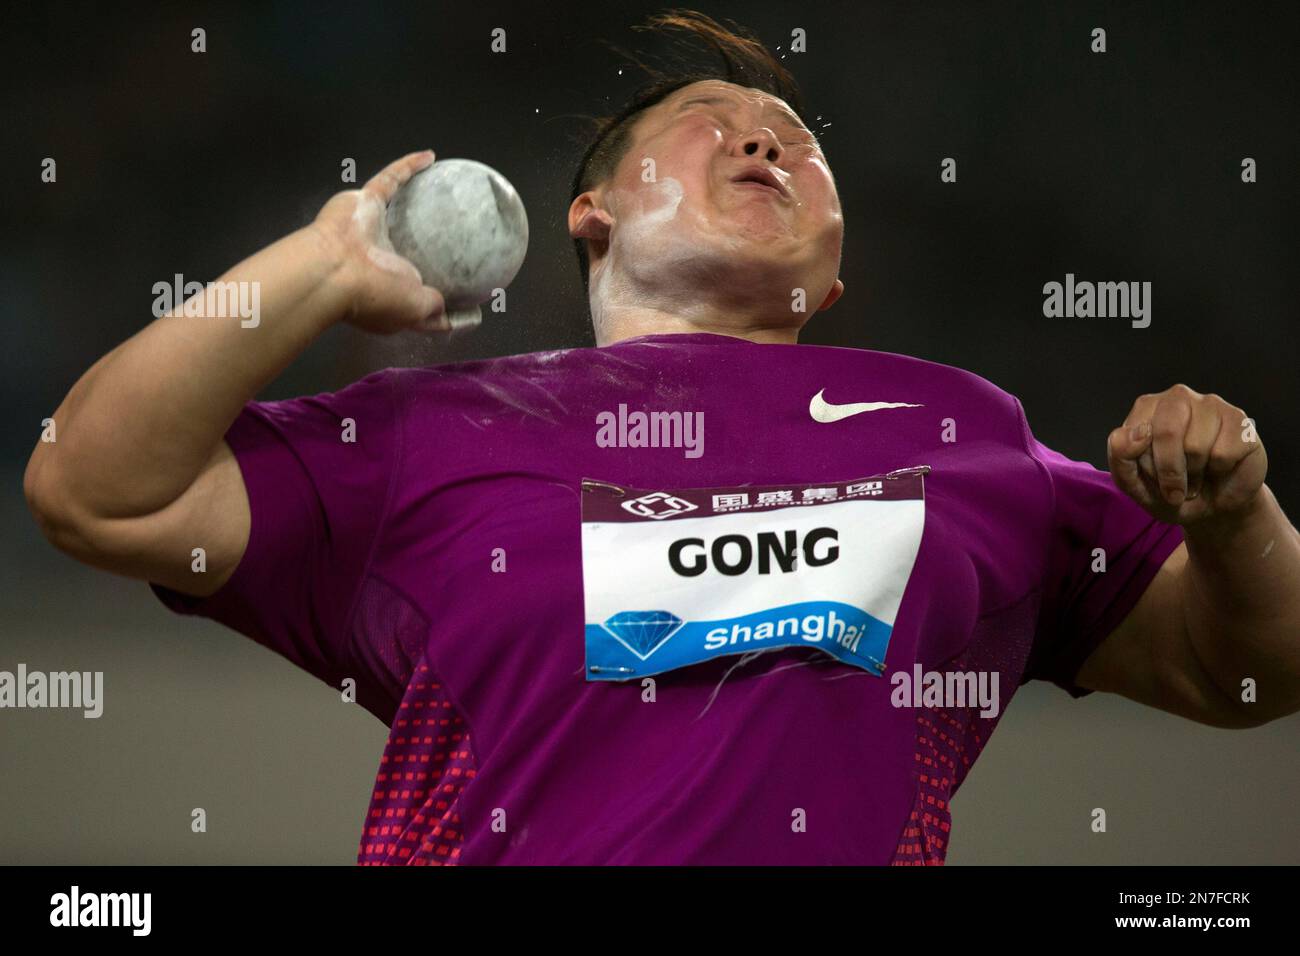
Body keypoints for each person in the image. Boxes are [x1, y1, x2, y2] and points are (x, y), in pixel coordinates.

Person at [23, 10, 1299, 865]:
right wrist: (318, 265)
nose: (765, 140)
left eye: (798, 143)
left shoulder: (966, 432)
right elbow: (97, 488)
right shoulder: (429, 432)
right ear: (591, 211)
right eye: (711, 120)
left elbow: (1243, 673)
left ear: (835, 275)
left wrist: (1237, 512)